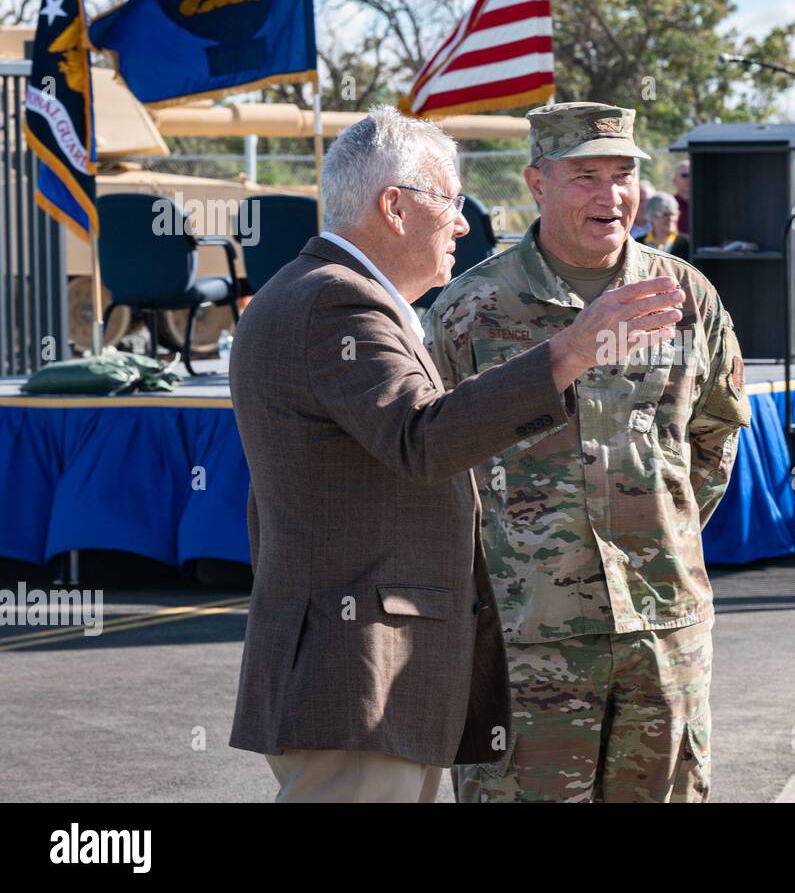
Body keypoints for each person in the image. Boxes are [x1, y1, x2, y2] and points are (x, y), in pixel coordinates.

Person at [227, 106, 683, 802]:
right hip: (354, 676)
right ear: (394, 206)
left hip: (361, 676)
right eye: (451, 201)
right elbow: (423, 437)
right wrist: (569, 351)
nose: (465, 223)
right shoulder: (336, 304)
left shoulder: (321, 294)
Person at [425, 101, 750, 803]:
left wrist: (660, 524)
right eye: (585, 177)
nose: (612, 197)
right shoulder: (471, 307)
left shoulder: (684, 295)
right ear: (537, 184)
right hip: (526, 633)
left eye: (624, 174)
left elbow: (715, 435)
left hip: (663, 624)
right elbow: (432, 449)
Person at [642, 190, 690, 259]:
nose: (671, 219)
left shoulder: (687, 244)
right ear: (652, 216)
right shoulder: (638, 244)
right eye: (665, 214)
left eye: (673, 214)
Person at [672, 159, 691, 238]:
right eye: (684, 175)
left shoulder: (705, 203)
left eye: (692, 174)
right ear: (674, 179)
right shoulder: (670, 204)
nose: (688, 178)